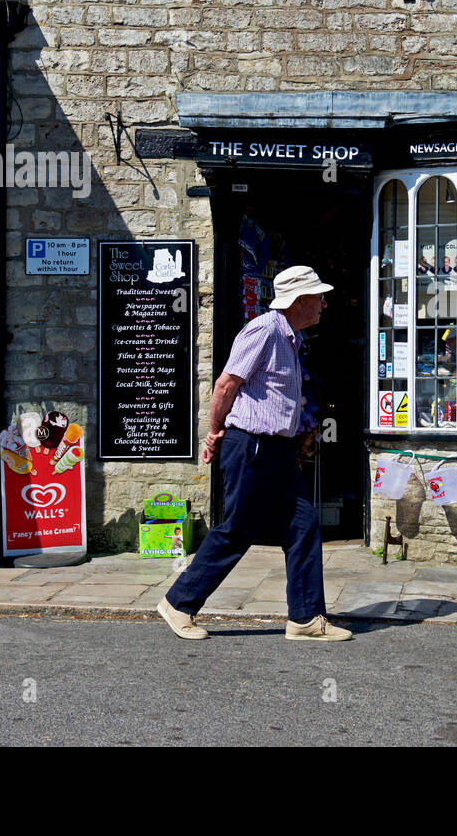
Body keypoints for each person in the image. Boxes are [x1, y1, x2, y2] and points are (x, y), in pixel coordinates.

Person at [157, 265, 352, 642]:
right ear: (298, 302)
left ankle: (306, 619)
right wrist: (214, 432)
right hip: (250, 444)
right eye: (318, 297)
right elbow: (226, 385)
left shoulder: (291, 338)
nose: (324, 304)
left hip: (276, 448)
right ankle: (178, 603)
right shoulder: (262, 330)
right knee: (238, 529)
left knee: (303, 524)